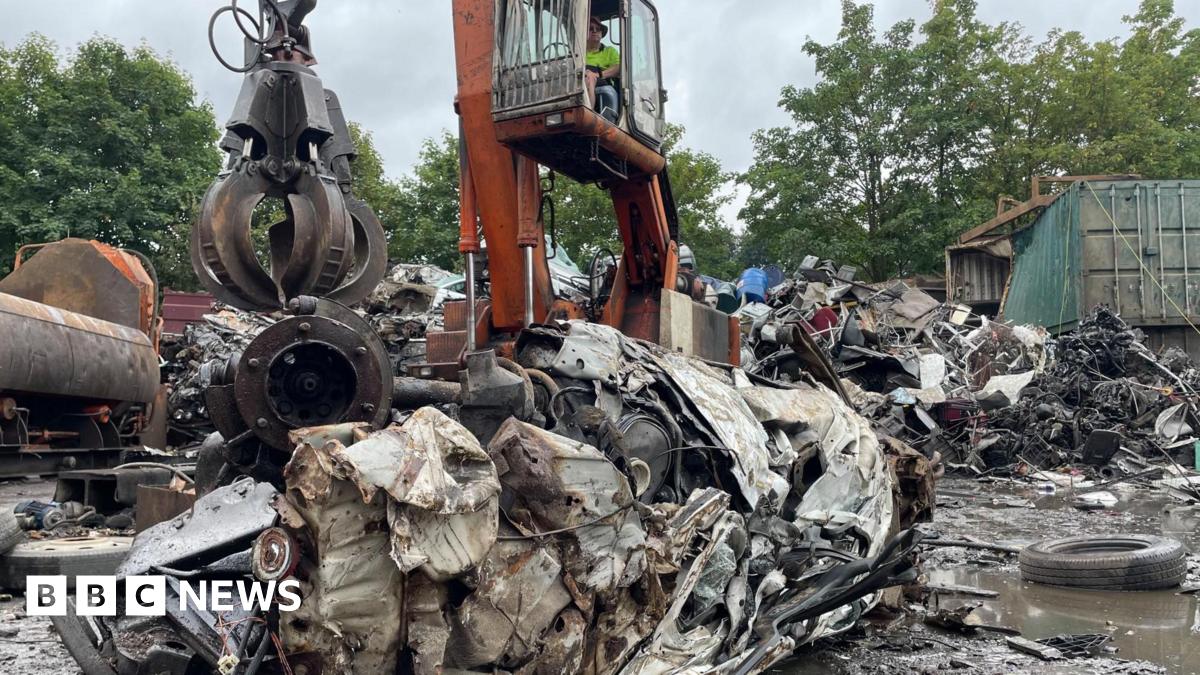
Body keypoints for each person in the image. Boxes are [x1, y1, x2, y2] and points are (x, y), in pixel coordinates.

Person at [585, 17, 620, 122]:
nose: (594, 31)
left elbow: (618, 68)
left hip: (602, 81)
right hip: (580, 80)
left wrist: (598, 75)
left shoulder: (609, 51)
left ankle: (587, 115)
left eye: (598, 29)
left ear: (601, 33)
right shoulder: (578, 52)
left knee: (589, 76)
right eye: (591, 28)